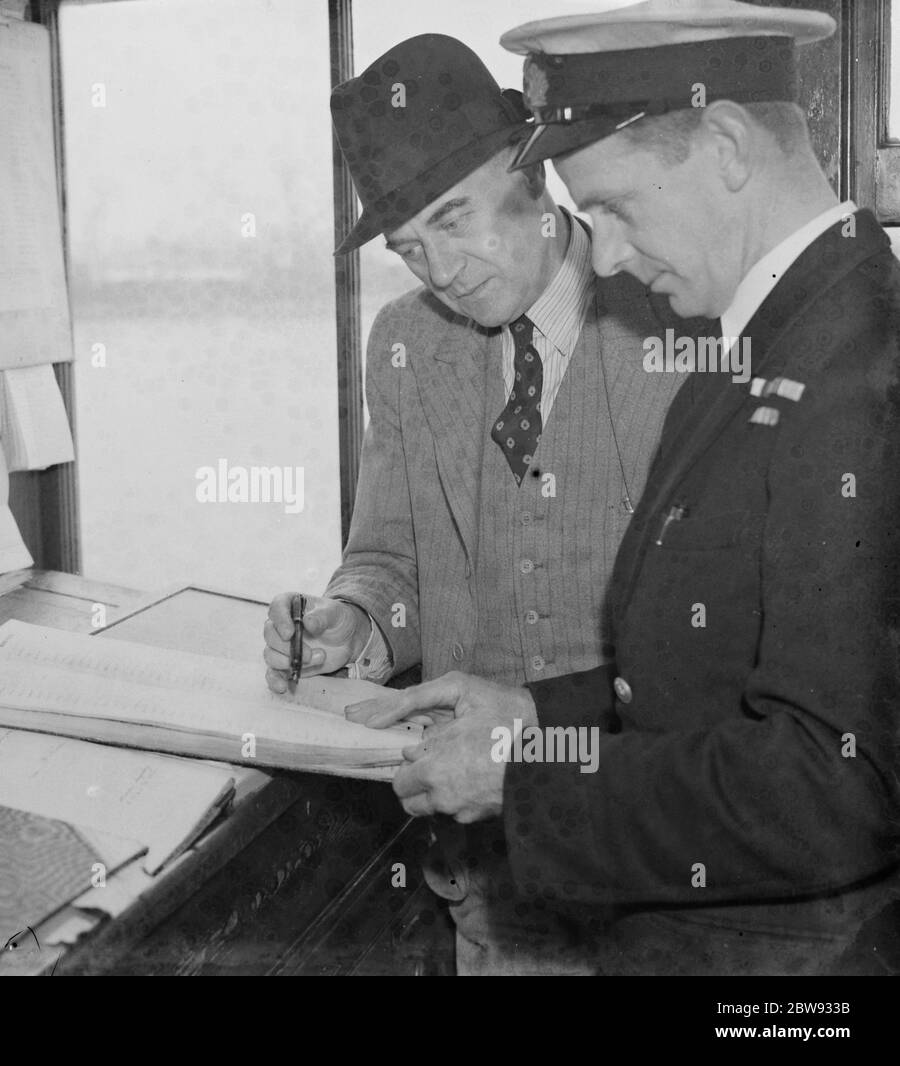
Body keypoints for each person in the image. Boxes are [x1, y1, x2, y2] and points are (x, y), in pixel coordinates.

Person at [351, 0, 900, 975]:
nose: (602, 253)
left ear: (725, 143)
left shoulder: (853, 364)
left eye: (614, 207)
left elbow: (838, 783)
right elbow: (689, 682)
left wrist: (526, 779)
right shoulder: (762, 334)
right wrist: (533, 715)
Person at [262, 33, 701, 973]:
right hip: (489, 887)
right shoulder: (406, 345)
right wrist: (355, 626)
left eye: (455, 219)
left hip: (654, 874)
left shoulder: (677, 318)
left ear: (532, 173)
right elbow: (389, 560)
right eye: (412, 248)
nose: (442, 269)